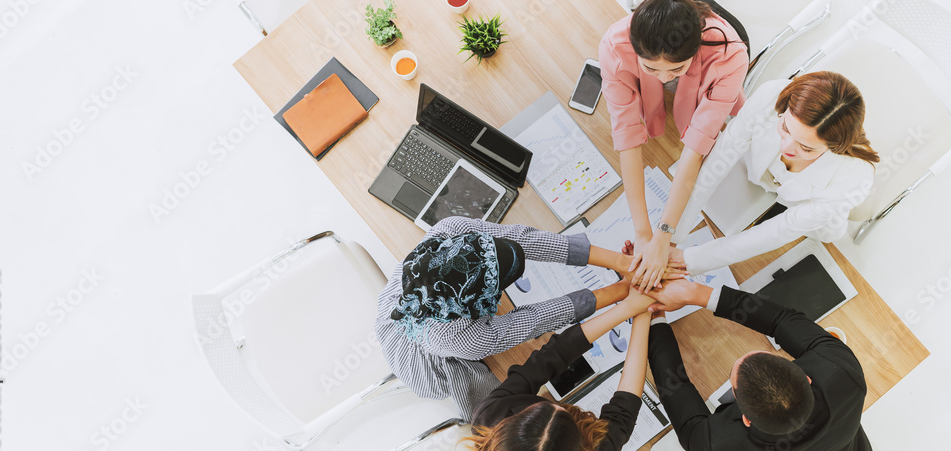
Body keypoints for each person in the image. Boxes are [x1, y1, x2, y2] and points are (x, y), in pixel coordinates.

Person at [375, 216, 684, 419]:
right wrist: (621, 291)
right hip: (429, 367)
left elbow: (523, 238)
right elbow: (533, 320)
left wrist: (625, 263)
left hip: (425, 309)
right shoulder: (460, 338)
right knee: (490, 397)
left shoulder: (449, 231)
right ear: (478, 302)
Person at [642, 278, 877, 451]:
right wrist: (697, 293)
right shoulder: (842, 375)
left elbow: (674, 387)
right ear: (805, 378)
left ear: (745, 418)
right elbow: (782, 320)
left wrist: (654, 318)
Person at [599, 0, 749, 292]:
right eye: (651, 67)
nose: (666, 77)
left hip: (715, 65)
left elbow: (694, 150)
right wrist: (643, 233)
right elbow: (627, 136)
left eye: (676, 69)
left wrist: (663, 235)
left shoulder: (730, 57)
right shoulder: (614, 45)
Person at [465, 286, 657, 451]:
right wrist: (644, 315)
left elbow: (551, 356)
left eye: (543, 408)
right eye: (565, 413)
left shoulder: (489, 418)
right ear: (581, 448)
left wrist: (628, 308)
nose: (559, 406)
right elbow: (624, 409)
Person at [668, 71, 879, 276]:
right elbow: (721, 157)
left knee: (829, 233)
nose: (786, 147)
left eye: (806, 148)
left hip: (810, 213)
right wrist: (672, 234)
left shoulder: (853, 177)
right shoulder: (771, 96)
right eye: (785, 128)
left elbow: (777, 232)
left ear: (834, 147)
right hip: (756, 174)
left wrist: (688, 261)